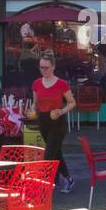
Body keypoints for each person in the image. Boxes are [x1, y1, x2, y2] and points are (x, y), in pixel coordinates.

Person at [30, 52, 76, 194]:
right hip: (43, 120)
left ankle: (45, 186)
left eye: (46, 68)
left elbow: (72, 102)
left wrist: (62, 111)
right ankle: (68, 178)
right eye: (41, 67)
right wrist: (31, 111)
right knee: (56, 152)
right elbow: (35, 103)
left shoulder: (62, 84)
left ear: (53, 67)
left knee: (49, 154)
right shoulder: (36, 83)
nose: (43, 70)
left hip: (57, 120)